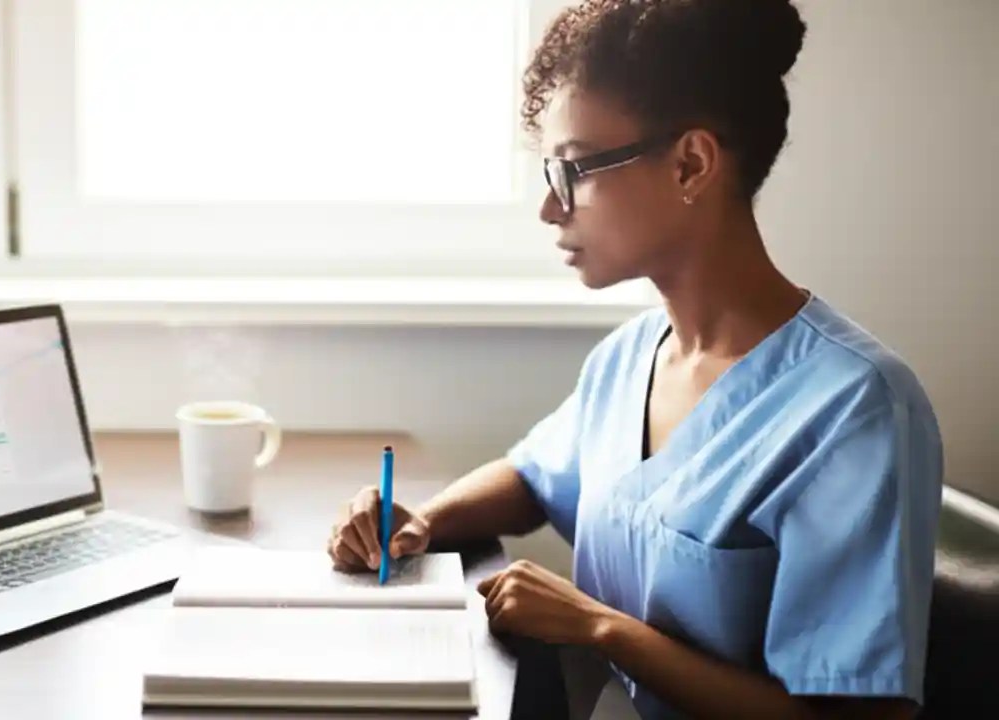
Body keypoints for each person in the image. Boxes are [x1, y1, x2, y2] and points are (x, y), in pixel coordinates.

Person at [327, 1, 943, 718]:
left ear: (690, 164)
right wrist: (422, 523)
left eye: (572, 171)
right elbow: (534, 477)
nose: (550, 211)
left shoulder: (855, 408)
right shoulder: (630, 356)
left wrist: (599, 626)